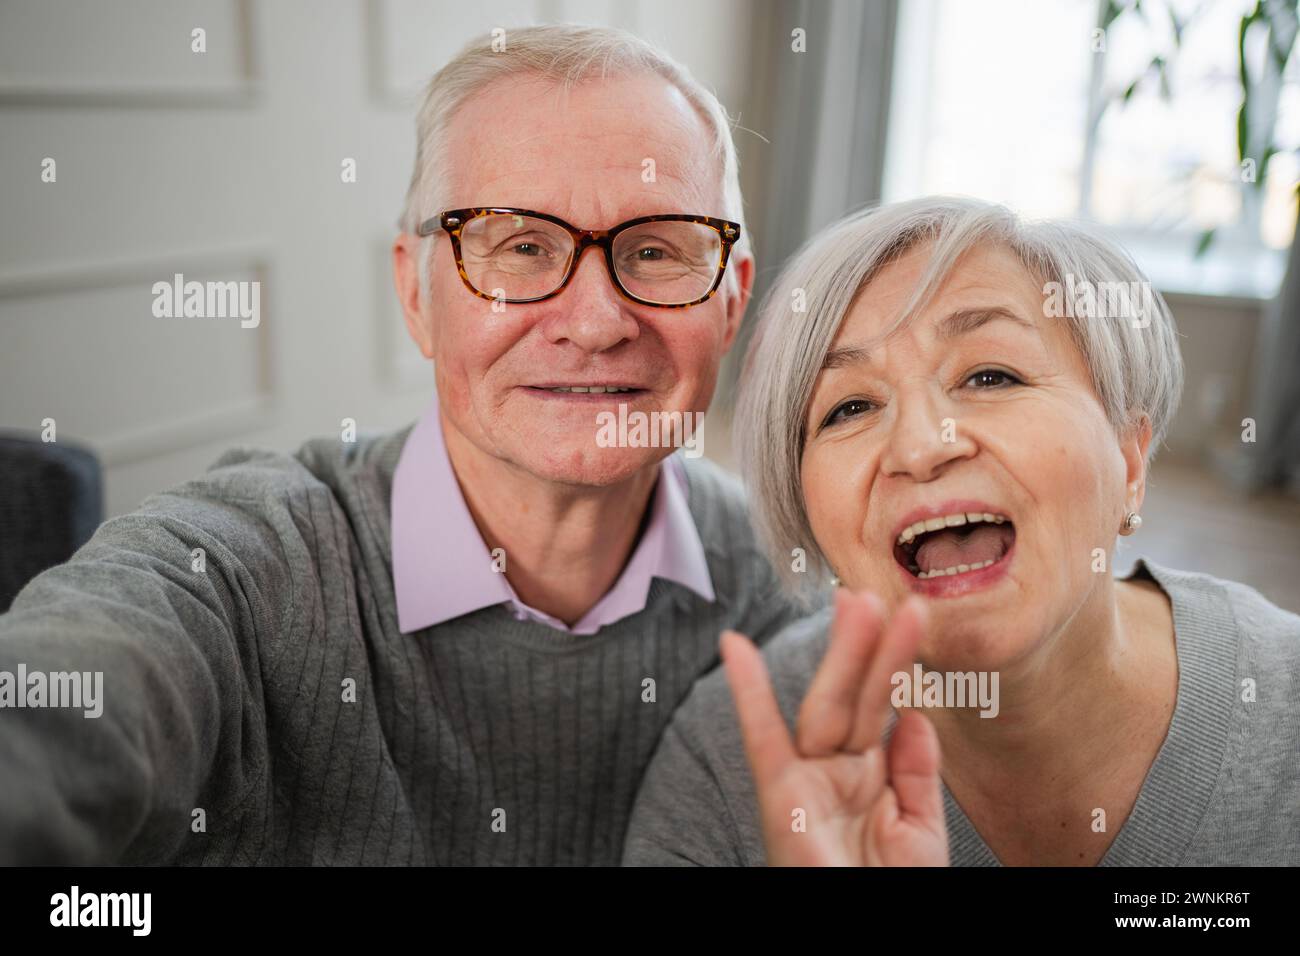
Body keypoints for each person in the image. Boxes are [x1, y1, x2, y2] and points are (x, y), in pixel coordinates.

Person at [0, 24, 807, 865]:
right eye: (522, 246)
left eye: (655, 250)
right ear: (414, 292)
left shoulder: (789, 583)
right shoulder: (241, 569)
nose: (598, 322)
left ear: (730, 303)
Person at [623, 196, 1300, 866]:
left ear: (1128, 457)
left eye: (990, 375)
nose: (922, 445)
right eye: (850, 406)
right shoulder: (729, 767)